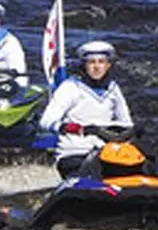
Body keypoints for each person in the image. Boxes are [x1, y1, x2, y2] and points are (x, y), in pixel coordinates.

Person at [39, 40, 133, 175]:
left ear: (108, 65)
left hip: (107, 152)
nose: (97, 67)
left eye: (101, 62)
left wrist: (125, 132)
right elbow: (46, 121)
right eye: (91, 62)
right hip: (75, 152)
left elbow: (126, 122)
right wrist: (72, 128)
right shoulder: (70, 87)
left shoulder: (113, 89)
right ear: (84, 65)